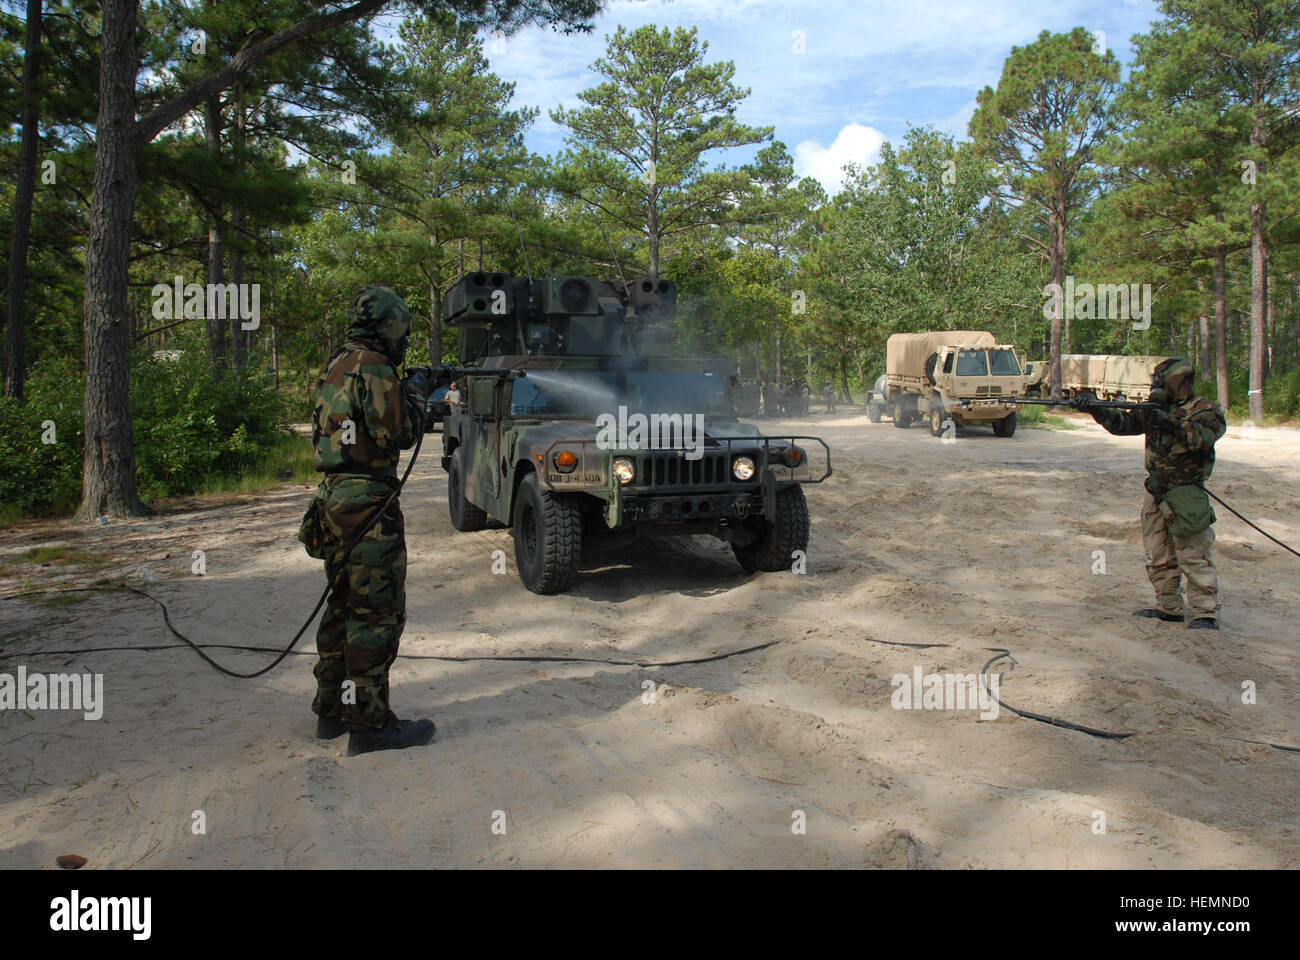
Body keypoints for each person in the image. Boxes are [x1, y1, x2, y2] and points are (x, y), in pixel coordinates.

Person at [307, 284, 440, 754]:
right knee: (375, 613)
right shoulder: (374, 365)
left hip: (334, 500)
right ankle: (369, 725)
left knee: (342, 604)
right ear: (391, 325)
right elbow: (397, 433)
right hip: (367, 502)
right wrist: (418, 394)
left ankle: (332, 711)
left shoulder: (338, 362)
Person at [1075, 358, 1226, 629]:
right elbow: (1123, 425)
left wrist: (1168, 422)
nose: (1156, 386)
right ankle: (1169, 607)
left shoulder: (1203, 409)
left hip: (1186, 491)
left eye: (1161, 381)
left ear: (1179, 383)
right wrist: (1096, 409)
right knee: (1158, 554)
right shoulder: (1154, 408)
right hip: (1156, 489)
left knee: (1193, 554)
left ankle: (1205, 613)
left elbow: (1202, 437)